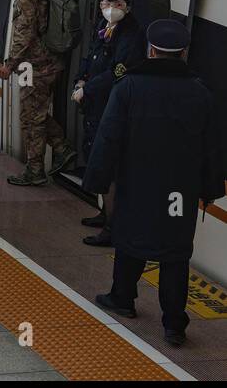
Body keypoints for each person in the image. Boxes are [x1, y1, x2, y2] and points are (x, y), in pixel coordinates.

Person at [86, 20, 223, 346]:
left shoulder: (129, 88)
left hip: (137, 184)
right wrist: (211, 189)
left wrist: (97, 179)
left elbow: (108, 138)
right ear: (183, 52)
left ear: (150, 49)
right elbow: (214, 148)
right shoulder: (201, 94)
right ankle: (174, 324)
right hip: (179, 193)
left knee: (129, 239)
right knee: (174, 252)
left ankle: (122, 298)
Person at [73, 0, 145, 246]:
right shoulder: (105, 26)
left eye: (117, 5)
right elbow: (91, 57)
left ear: (126, 5)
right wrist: (80, 80)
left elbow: (119, 70)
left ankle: (113, 229)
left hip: (112, 106)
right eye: (106, 5)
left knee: (110, 169)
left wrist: (88, 88)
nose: (111, 9)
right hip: (96, 103)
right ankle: (105, 213)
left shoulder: (133, 34)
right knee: (98, 159)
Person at [0, 0, 71, 186]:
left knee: (32, 117)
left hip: (35, 66)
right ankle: (57, 152)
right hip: (46, 63)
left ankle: (40, 166)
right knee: (33, 114)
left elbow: (24, 34)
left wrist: (10, 64)